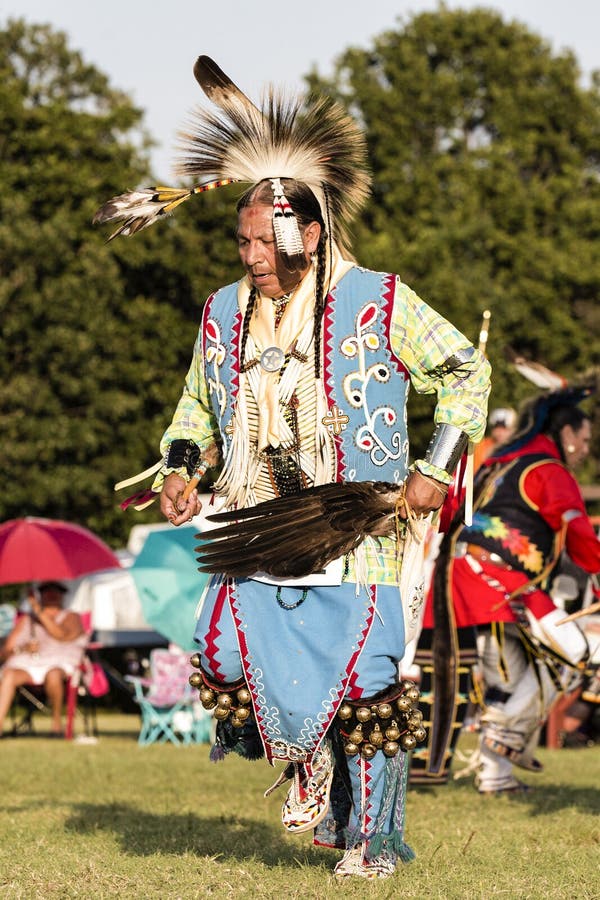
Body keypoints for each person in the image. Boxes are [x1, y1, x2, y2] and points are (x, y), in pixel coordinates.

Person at [95, 56, 491, 879]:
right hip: (260, 524)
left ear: (309, 233)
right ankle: (312, 761)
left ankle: (370, 842)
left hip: (360, 523)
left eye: (263, 241)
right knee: (228, 664)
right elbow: (195, 412)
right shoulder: (224, 314)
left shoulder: (379, 300)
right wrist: (181, 470)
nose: (251, 257)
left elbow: (466, 372)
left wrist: (436, 465)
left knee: (370, 688)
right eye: (239, 241)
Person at [422, 388, 599, 794]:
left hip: (461, 577)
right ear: (567, 433)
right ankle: (504, 732)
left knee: (511, 680)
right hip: (498, 582)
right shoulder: (548, 470)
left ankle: (495, 777)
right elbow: (578, 532)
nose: (586, 449)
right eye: (585, 439)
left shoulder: (498, 463)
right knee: (575, 650)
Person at [0, 582, 86, 737]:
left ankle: (56, 726)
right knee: (9, 675)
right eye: (46, 591)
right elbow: (5, 652)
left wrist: (39, 611)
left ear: (63, 595)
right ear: (40, 594)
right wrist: (23, 648)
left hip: (59, 665)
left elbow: (60, 634)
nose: (52, 594)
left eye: (57, 591)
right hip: (27, 665)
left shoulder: (71, 617)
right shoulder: (27, 621)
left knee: (53, 674)